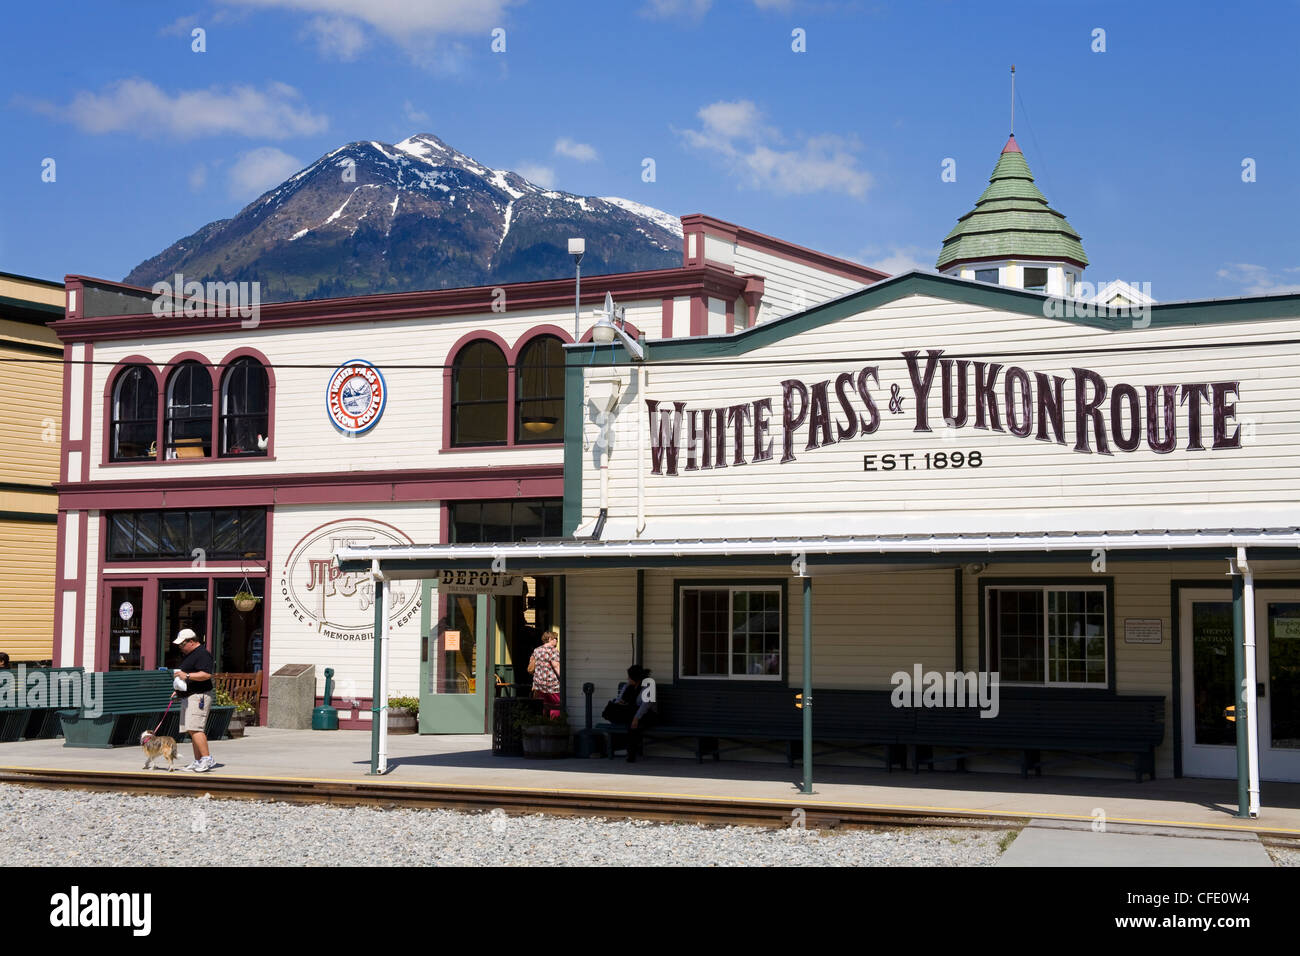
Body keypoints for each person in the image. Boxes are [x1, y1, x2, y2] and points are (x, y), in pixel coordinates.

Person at [172, 628, 217, 773]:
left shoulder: (203, 654)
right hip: (189, 694)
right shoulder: (190, 654)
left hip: (199, 696)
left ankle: (207, 759)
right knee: (191, 729)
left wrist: (188, 676)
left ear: (191, 641)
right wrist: (178, 689)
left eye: (182, 644)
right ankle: (198, 760)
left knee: (196, 728)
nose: (180, 648)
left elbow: (206, 674)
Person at [612, 664, 656, 763]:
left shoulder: (649, 687)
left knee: (632, 725)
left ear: (637, 678)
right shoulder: (629, 686)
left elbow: (645, 705)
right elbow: (619, 699)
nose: (628, 678)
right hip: (633, 712)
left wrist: (636, 718)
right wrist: (619, 702)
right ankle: (624, 748)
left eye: (630, 677)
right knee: (621, 716)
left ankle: (630, 753)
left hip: (648, 715)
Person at [527, 628, 561, 719]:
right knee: (555, 706)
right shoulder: (553, 651)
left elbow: (531, 663)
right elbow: (557, 666)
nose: (557, 641)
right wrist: (563, 679)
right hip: (552, 685)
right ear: (549, 639)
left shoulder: (537, 650)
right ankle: (554, 726)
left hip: (539, 684)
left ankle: (542, 723)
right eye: (555, 638)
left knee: (542, 707)